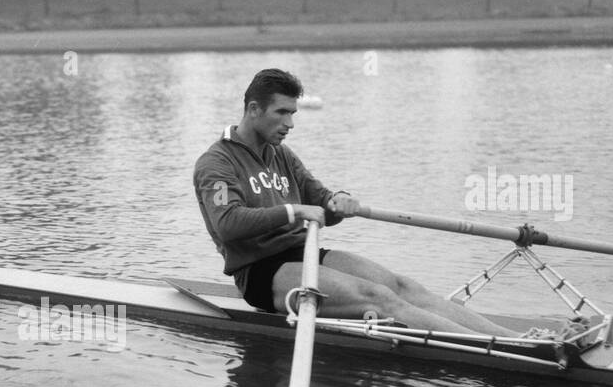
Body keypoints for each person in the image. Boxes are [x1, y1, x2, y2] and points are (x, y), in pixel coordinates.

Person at [193, 68, 521, 336]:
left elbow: (320, 200)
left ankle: (516, 340)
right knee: (377, 298)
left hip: (303, 253)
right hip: (261, 271)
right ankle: (499, 349)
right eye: (282, 113)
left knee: (402, 287)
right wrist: (293, 211)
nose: (290, 124)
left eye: (293, 113)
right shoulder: (217, 162)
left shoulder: (281, 154)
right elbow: (228, 224)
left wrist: (339, 202)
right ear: (253, 109)